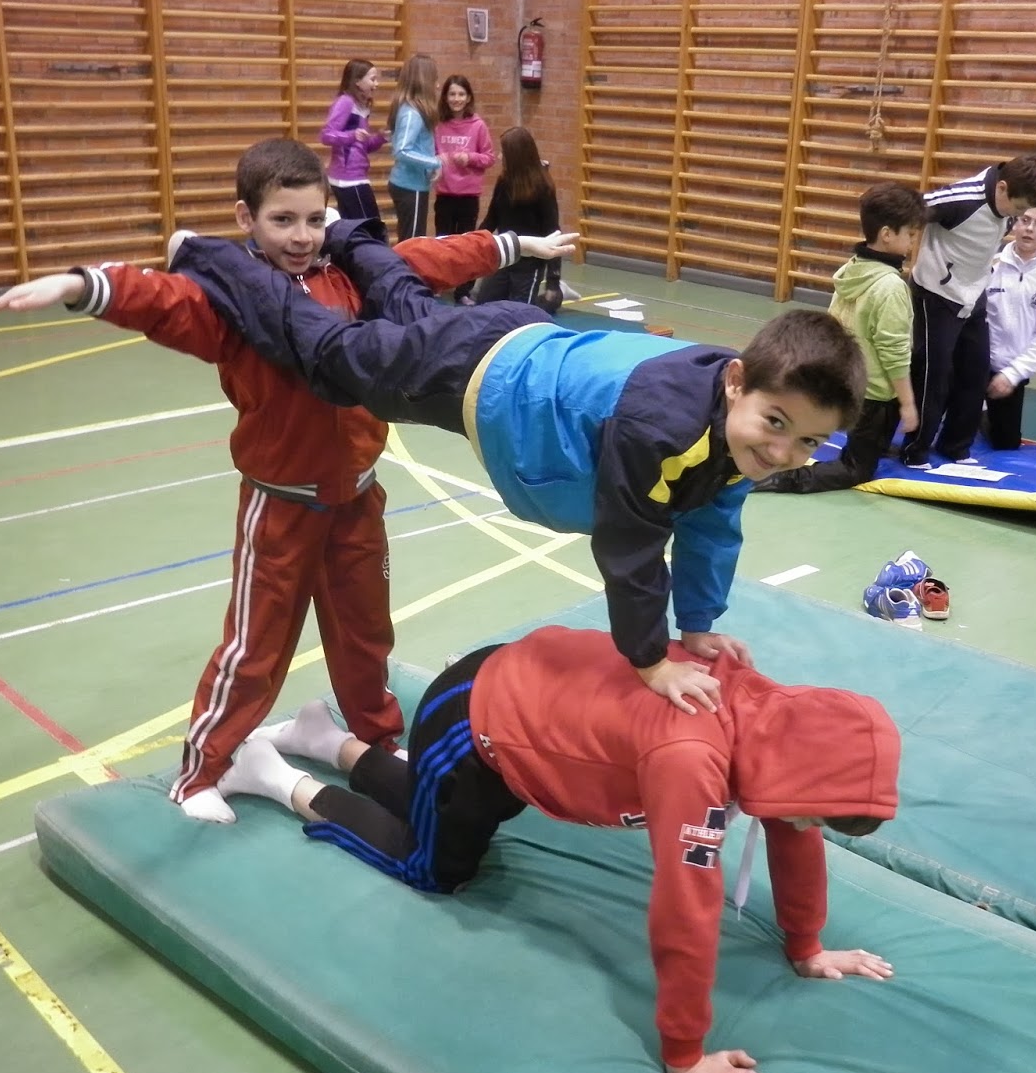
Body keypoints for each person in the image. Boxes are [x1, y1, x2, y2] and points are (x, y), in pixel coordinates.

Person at [0, 139, 571, 825]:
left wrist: (516, 247)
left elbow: (429, 259)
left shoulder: (351, 278)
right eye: (282, 220)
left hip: (359, 497)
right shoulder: (232, 304)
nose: (302, 237)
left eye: (314, 220)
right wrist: (78, 286)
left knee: (367, 634)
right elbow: (161, 299)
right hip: (281, 509)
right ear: (246, 218)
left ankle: (374, 739)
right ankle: (203, 770)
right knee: (254, 651)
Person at [169, 222, 865, 714]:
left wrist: (700, 623)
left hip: (511, 337)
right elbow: (631, 548)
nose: (781, 455)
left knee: (412, 309)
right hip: (476, 376)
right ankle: (211, 258)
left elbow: (713, 522)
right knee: (328, 359)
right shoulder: (664, 429)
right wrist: (652, 659)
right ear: (738, 382)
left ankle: (351, 236)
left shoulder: (734, 427)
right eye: (777, 425)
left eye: (807, 444)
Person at [222, 626, 900, 1073]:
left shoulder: (781, 724)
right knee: (433, 867)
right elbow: (686, 909)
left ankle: (323, 736)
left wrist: (808, 945)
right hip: (473, 720)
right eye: (812, 817)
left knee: (455, 811)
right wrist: (685, 1056)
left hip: (523, 701)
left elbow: (792, 824)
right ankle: (274, 776)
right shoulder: (692, 757)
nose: (799, 827)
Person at [754, 183, 925, 494]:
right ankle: (788, 478)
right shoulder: (890, 287)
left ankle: (870, 444)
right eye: (909, 234)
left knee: (874, 443)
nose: (913, 242)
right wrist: (908, 403)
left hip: (848, 381)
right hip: (872, 395)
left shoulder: (852, 270)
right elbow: (894, 352)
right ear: (887, 234)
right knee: (857, 469)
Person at [901, 154, 1036, 469]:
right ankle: (914, 450)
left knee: (975, 373)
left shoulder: (1010, 204)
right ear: (1001, 188)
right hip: (937, 295)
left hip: (973, 296)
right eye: (1018, 209)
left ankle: (955, 447)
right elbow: (907, 210)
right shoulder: (960, 200)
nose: (1019, 218)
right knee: (935, 376)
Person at [982, 196, 1036, 450]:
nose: (1029, 228)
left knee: (1006, 444)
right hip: (974, 364)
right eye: (1025, 220)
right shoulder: (990, 264)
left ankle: (985, 417)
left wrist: (1011, 375)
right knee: (954, 437)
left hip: (1011, 373)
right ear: (1014, 222)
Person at [474, 126, 563, 314]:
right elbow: (491, 219)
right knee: (483, 305)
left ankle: (554, 298)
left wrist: (553, 281)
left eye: (503, 153)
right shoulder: (504, 182)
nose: (499, 157)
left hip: (529, 264)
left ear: (515, 156)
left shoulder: (542, 187)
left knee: (519, 314)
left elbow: (553, 232)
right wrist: (470, 244)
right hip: (505, 255)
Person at [433, 75, 495, 303]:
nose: (456, 99)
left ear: (468, 97)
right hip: (445, 193)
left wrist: (469, 157)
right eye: (452, 94)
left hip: (468, 194)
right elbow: (431, 154)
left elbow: (489, 157)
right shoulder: (439, 124)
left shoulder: (477, 125)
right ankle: (439, 283)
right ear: (445, 97)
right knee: (442, 241)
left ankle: (463, 290)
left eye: (461, 94)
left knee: (465, 244)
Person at [321, 59, 387, 222]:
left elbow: (362, 147)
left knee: (360, 228)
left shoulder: (362, 106)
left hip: (356, 176)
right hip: (347, 179)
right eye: (372, 79)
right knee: (370, 227)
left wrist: (381, 137)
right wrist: (352, 135)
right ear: (357, 81)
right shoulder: (345, 102)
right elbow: (326, 135)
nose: (376, 84)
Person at [387, 53, 440, 242]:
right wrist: (435, 162)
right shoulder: (412, 113)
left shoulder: (413, 110)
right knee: (412, 243)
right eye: (434, 79)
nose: (437, 85)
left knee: (411, 239)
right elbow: (402, 150)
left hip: (414, 185)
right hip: (410, 186)